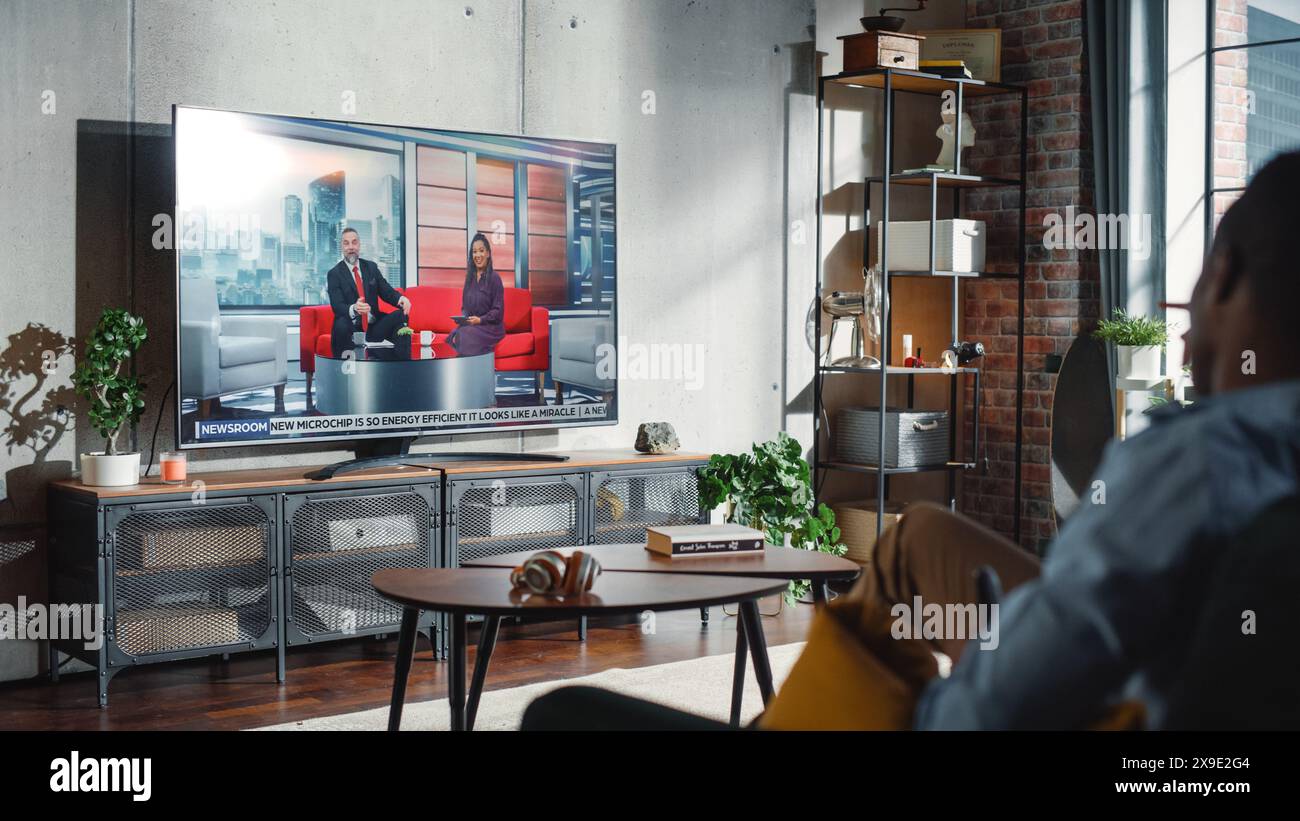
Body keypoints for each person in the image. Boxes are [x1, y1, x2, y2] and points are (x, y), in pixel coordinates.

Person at [522, 151, 1300, 731]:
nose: (1189, 320)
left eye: (1198, 285)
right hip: (1132, 679)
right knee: (917, 534)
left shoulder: (1201, 456)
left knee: (562, 715)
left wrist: (947, 692)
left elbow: (1017, 689)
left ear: (1227, 274)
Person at [327, 227, 412, 358]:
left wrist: (400, 298)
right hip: (352, 328)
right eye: (346, 243)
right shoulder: (334, 274)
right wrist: (354, 308)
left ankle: (401, 369)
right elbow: (337, 306)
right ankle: (346, 373)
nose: (351, 247)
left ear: (359, 245)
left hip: (374, 327)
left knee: (402, 316)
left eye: (354, 242)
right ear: (341, 247)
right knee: (341, 324)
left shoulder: (371, 267)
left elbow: (386, 290)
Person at [446, 232, 506, 356]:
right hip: (473, 325)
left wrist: (480, 320)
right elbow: (465, 307)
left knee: (465, 335)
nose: (477, 255)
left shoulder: (495, 278)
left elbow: (498, 312)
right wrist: (464, 319)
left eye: (481, 251)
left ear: (488, 253)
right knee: (452, 336)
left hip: (490, 327)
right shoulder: (470, 279)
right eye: (474, 252)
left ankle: (475, 372)